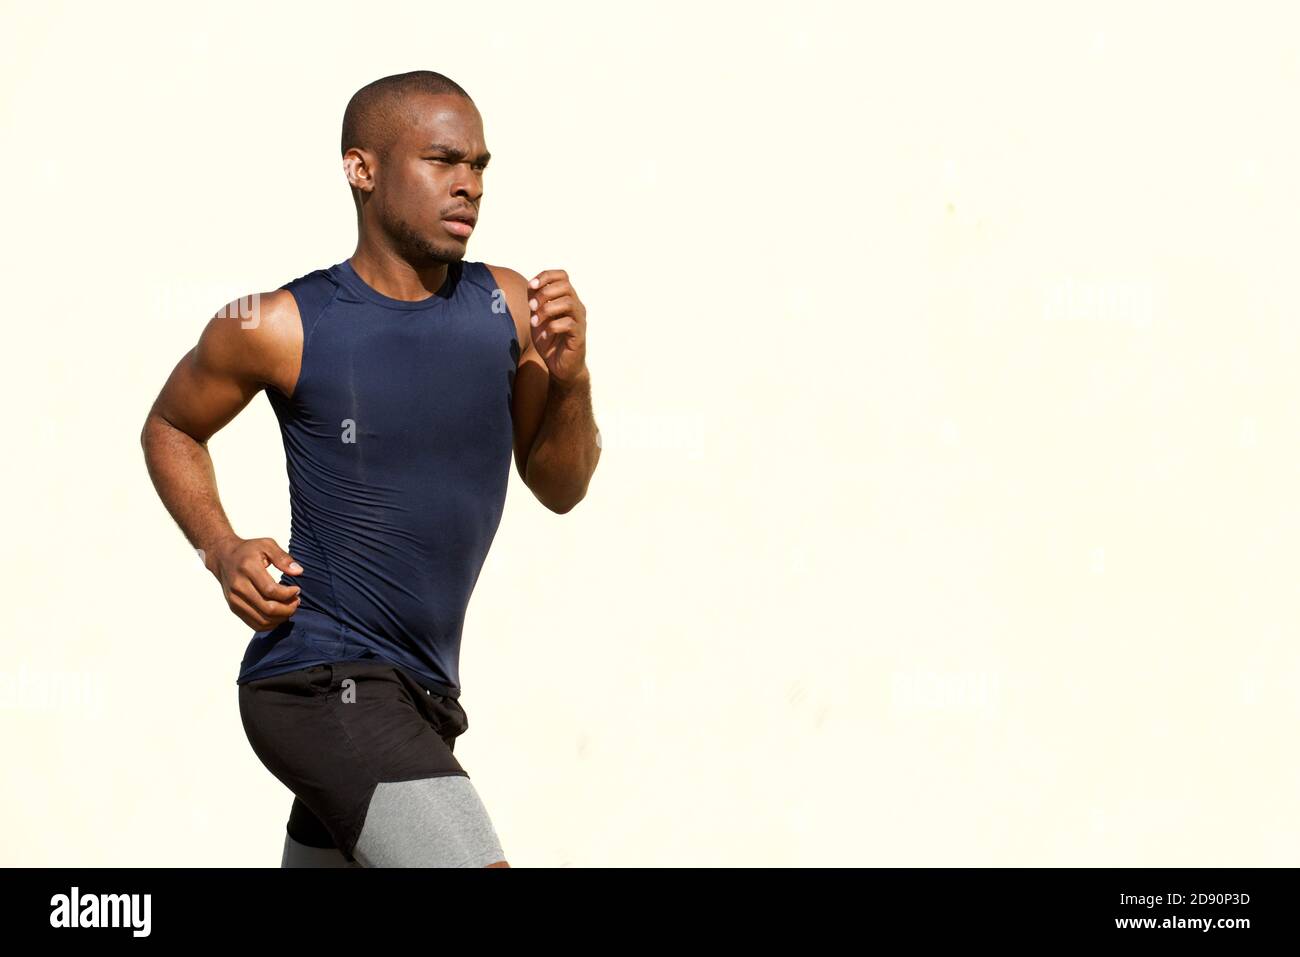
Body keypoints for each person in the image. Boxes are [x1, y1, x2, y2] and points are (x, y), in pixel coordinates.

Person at [140, 70, 601, 867]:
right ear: (362, 168)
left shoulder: (509, 307)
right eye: (443, 160)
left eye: (481, 166)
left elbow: (560, 486)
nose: (469, 185)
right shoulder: (280, 324)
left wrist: (573, 379)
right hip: (320, 681)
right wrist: (222, 549)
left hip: (422, 695)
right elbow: (171, 425)